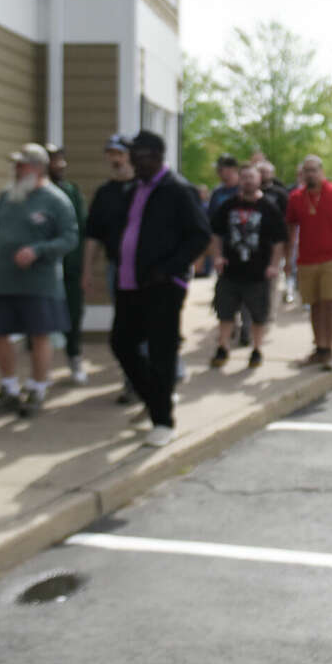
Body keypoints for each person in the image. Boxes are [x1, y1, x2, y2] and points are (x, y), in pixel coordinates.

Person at [86, 130, 209, 447]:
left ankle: (163, 421)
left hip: (162, 286)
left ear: (154, 156)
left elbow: (199, 236)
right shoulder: (133, 190)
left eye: (137, 157)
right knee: (121, 343)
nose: (132, 163)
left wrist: (167, 269)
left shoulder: (178, 191)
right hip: (129, 282)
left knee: (161, 351)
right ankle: (156, 397)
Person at [0, 143, 79, 417]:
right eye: (15, 165)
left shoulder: (56, 200)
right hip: (6, 279)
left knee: (39, 334)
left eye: (21, 165)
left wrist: (38, 250)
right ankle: (9, 388)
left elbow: (70, 238)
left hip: (39, 281)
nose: (15, 170)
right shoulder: (6, 197)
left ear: (37, 168)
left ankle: (38, 387)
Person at [208, 164, 285, 370]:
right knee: (225, 312)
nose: (248, 181)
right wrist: (217, 256)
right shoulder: (229, 205)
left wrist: (274, 265)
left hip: (258, 272)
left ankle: (256, 350)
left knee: (259, 314)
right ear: (239, 180)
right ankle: (222, 347)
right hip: (230, 271)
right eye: (244, 177)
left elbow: (279, 240)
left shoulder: (268, 207)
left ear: (259, 179)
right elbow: (215, 233)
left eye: (251, 177)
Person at [285, 155, 332, 370]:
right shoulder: (296, 198)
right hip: (307, 260)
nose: (310, 174)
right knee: (315, 306)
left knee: (330, 304)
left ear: (321, 171)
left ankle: (328, 350)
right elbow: (290, 229)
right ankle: (319, 348)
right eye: (306, 171)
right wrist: (287, 260)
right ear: (302, 174)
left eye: (313, 170)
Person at [83, 134, 137, 404]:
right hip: (115, 267)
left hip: (145, 269)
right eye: (111, 154)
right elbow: (92, 235)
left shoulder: (144, 188)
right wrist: (86, 271)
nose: (115, 159)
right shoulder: (104, 193)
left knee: (147, 323)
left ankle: (154, 375)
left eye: (120, 153)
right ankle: (132, 380)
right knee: (126, 325)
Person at [44, 144, 89, 383]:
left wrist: (84, 267)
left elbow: (82, 229)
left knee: (73, 314)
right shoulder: (34, 192)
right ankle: (43, 368)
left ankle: (74, 359)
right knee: (42, 319)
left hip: (70, 267)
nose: (59, 165)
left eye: (61, 159)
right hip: (42, 269)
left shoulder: (72, 191)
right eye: (54, 160)